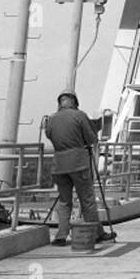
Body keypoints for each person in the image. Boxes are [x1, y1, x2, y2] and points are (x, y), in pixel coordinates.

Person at [43, 91, 104, 245]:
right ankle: (96, 233)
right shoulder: (79, 116)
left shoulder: (51, 119)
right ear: (75, 103)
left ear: (59, 104)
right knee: (87, 200)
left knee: (64, 201)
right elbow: (91, 139)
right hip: (78, 163)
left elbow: (49, 135)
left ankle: (61, 235)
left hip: (59, 165)